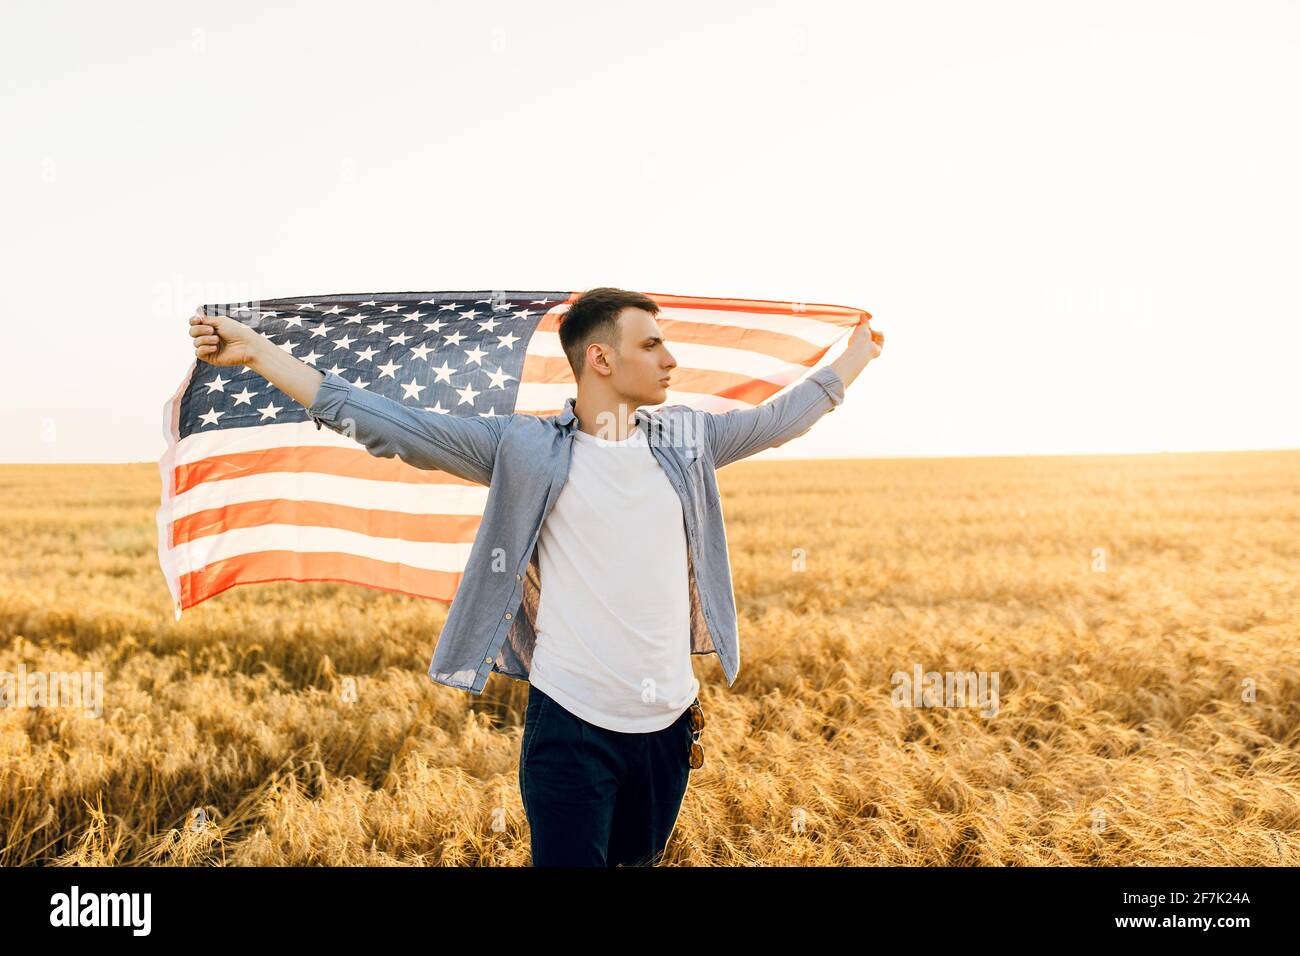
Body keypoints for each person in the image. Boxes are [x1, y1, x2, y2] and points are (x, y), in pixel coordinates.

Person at [188, 286, 884, 866]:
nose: (671, 360)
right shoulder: (523, 447)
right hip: (573, 729)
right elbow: (384, 421)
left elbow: (781, 420)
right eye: (652, 345)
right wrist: (259, 353)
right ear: (600, 358)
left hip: (670, 726)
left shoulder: (687, 441)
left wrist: (856, 356)